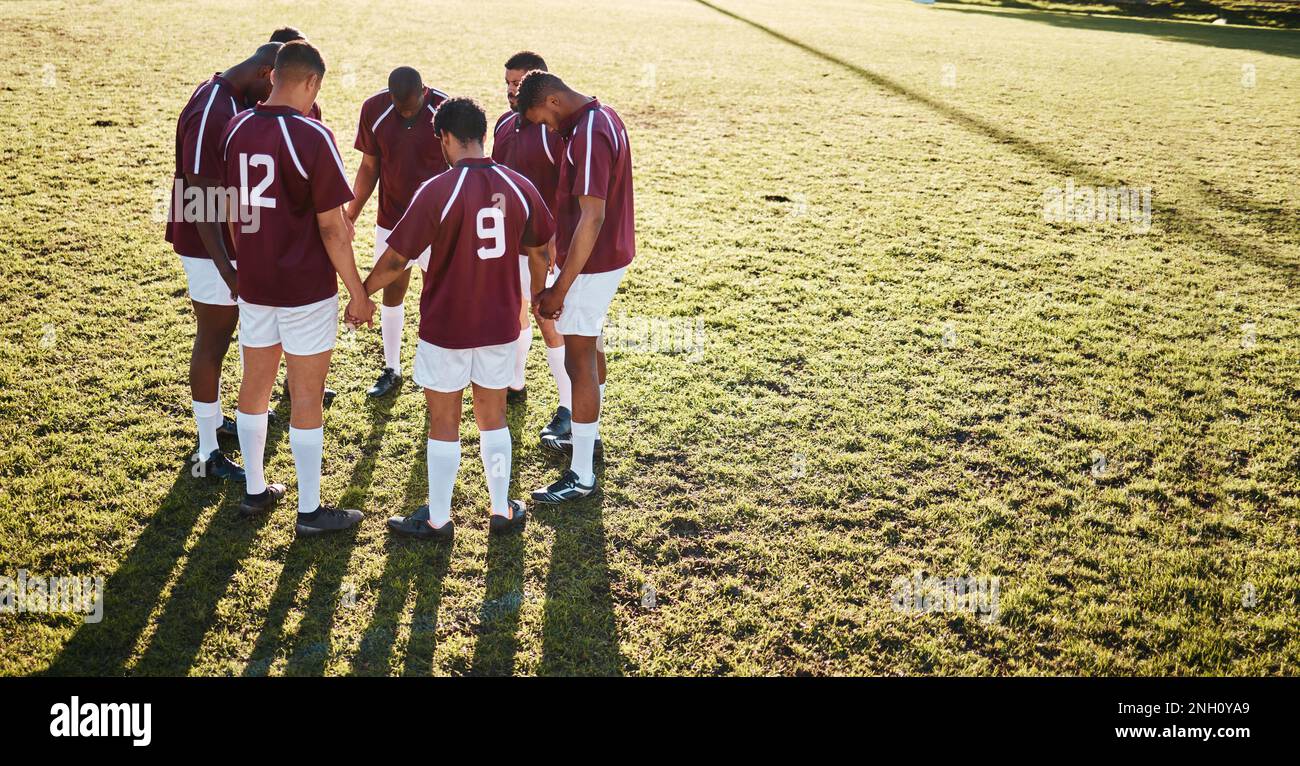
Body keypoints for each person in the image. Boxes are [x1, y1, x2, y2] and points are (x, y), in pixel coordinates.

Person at [364, 97, 553, 540]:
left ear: (445, 138)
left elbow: (396, 260)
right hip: (500, 324)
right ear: (484, 135)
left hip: (446, 327)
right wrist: (540, 294)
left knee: (444, 421)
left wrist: (360, 292)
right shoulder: (519, 185)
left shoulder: (436, 190)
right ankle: (502, 509)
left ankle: (439, 518)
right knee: (494, 417)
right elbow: (541, 250)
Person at [219, 40, 375, 535]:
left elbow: (229, 211)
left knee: (255, 384)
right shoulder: (313, 135)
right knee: (305, 395)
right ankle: (309, 510)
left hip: (256, 281)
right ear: (310, 83)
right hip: (305, 288)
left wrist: (243, 263)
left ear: (273, 77)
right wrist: (358, 290)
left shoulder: (236, 127)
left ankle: (254, 489)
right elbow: (333, 227)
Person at [515, 72, 635, 503]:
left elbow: (593, 216)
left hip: (591, 264)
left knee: (578, 360)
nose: (548, 129)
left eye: (545, 120)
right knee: (592, 349)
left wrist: (560, 288)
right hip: (605, 258)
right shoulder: (605, 115)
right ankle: (590, 437)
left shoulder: (586, 134)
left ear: (553, 100)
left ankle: (581, 473)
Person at [166, 42, 279, 482]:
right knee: (212, 340)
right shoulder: (214, 107)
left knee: (222, 337)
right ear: (267, 73)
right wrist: (227, 267)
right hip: (205, 246)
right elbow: (198, 196)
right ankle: (207, 452)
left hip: (220, 244)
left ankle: (214, 423)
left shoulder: (227, 94)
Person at [347, 67, 448, 397]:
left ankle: (434, 368)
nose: (406, 112)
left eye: (412, 106)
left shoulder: (444, 110)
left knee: (437, 295)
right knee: (392, 290)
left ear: (424, 90)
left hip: (438, 225)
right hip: (392, 220)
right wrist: (351, 214)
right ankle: (392, 368)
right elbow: (369, 167)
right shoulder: (374, 109)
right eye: (400, 106)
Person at [491, 51, 571, 446]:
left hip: (546, 245)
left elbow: (566, 188)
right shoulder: (503, 124)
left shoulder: (554, 130)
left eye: (519, 84)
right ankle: (514, 382)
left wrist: (556, 237)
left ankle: (569, 406)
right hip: (508, 243)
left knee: (549, 319)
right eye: (507, 83)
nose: (511, 91)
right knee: (513, 311)